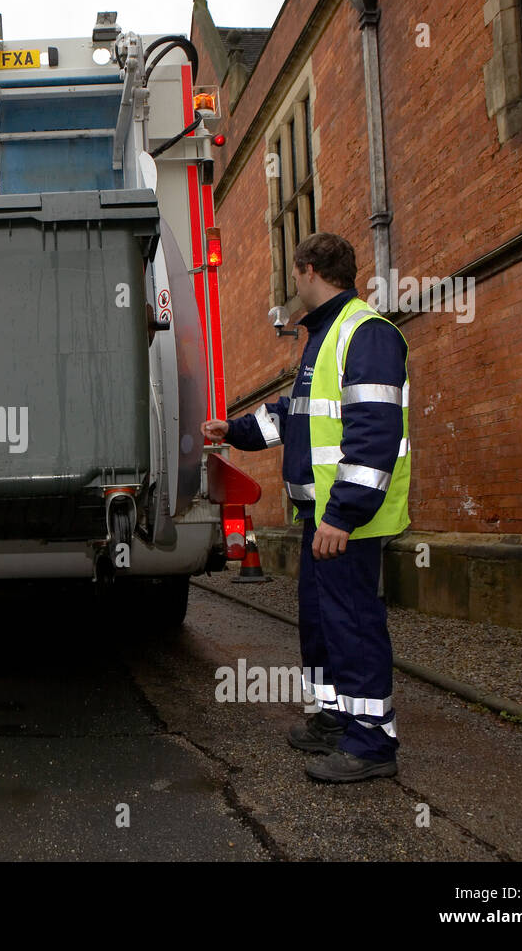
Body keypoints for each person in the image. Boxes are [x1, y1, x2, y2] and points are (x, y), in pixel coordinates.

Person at [201, 232, 410, 783]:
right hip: (324, 517)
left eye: (294, 275)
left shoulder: (365, 333)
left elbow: (373, 433)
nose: (292, 286)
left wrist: (343, 514)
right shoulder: (324, 337)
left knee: (355, 624)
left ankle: (371, 744)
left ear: (311, 270)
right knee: (322, 625)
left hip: (348, 521)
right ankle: (333, 718)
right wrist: (235, 429)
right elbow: (292, 415)